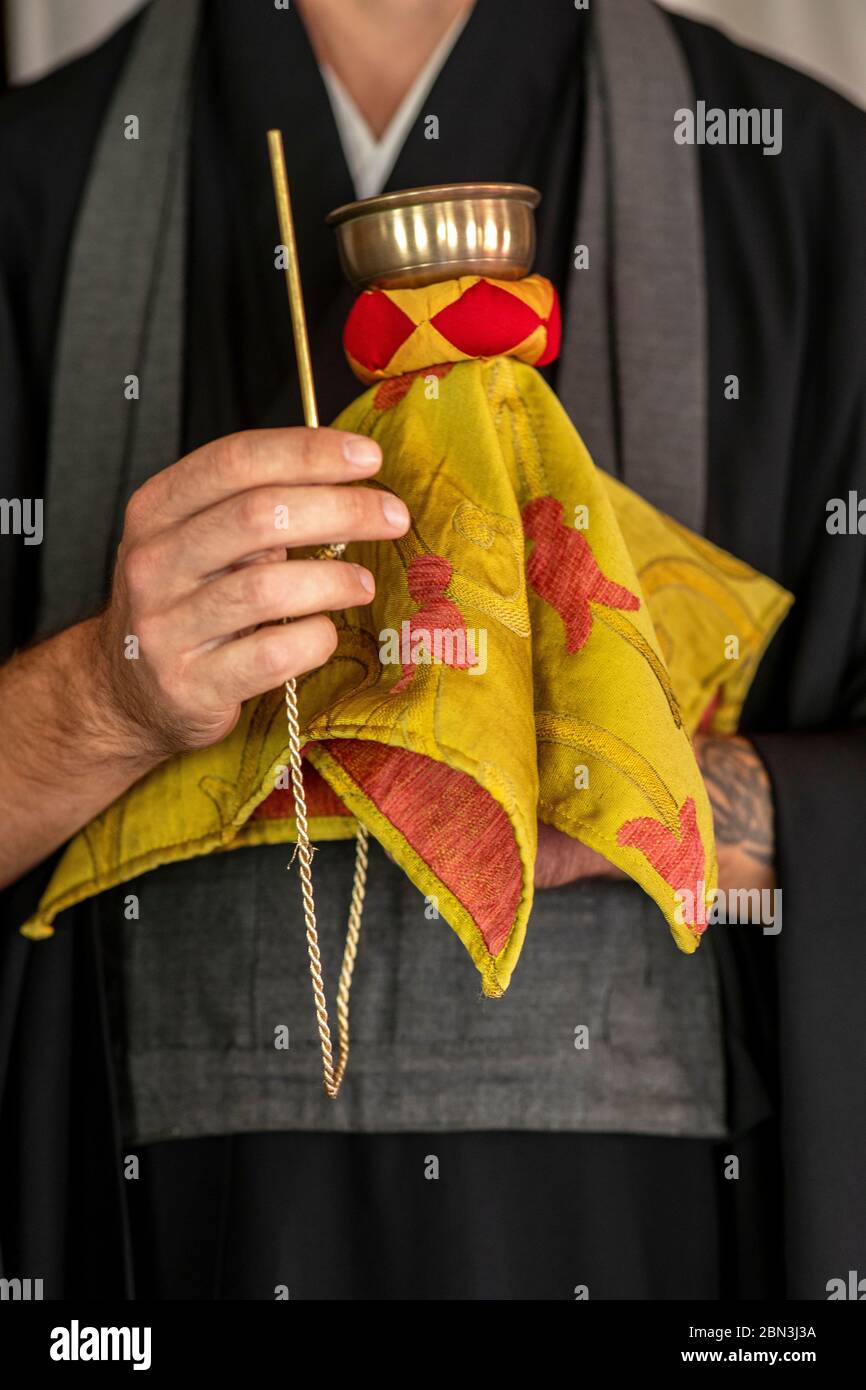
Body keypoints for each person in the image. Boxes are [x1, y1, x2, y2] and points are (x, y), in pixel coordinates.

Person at [0, 0, 863, 1300]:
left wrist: (649, 794)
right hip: (161, 1251)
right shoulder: (32, 183)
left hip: (654, 1246)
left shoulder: (805, 187)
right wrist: (104, 694)